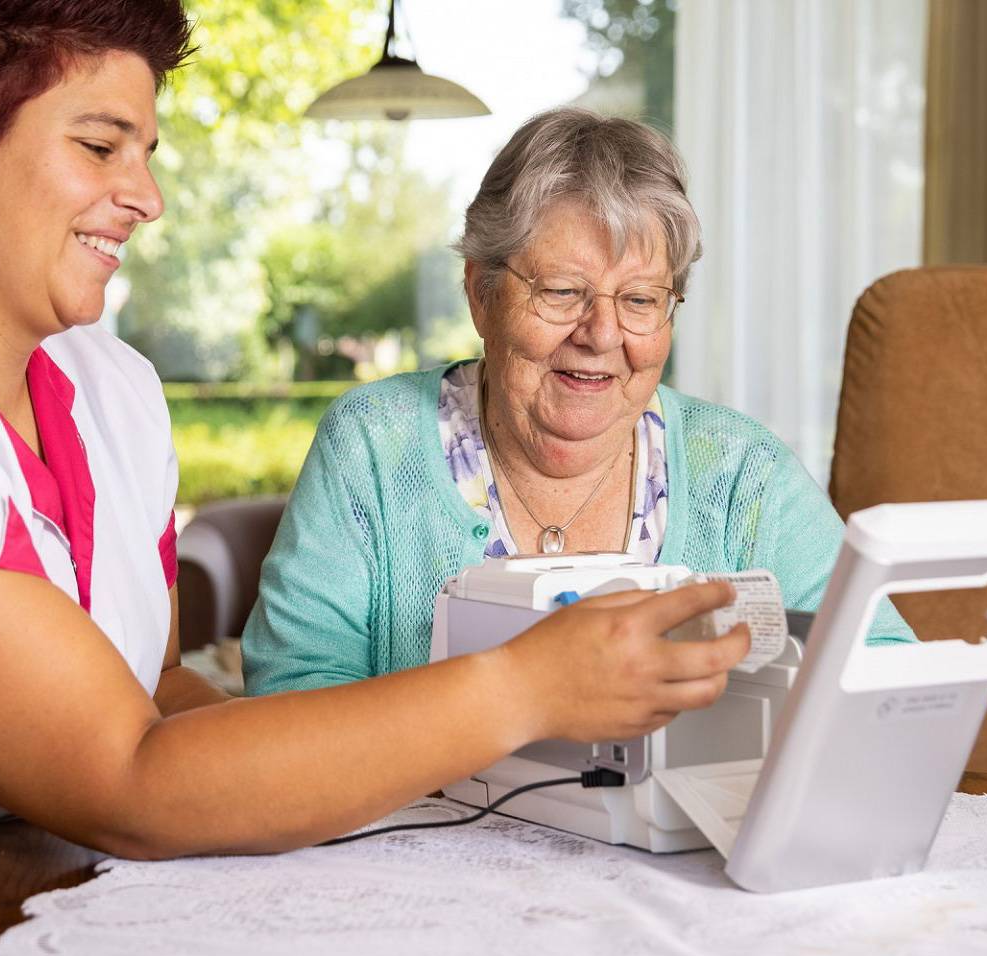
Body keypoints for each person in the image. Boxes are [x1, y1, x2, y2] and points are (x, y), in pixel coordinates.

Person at [0, 7, 749, 956]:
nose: (146, 195)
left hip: (2, 897)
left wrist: (341, 792)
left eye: (146, 152)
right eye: (102, 146)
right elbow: (128, 780)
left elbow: (144, 685)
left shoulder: (110, 390)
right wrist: (526, 689)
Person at [242, 107, 910, 696]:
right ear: (481, 293)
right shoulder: (374, 445)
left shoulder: (742, 473)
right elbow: (291, 700)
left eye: (640, 300)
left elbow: (881, 675)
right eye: (562, 291)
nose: (600, 335)